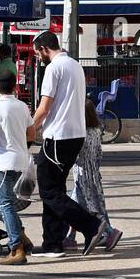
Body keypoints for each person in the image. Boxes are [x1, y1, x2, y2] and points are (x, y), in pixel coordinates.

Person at [28, 30, 107, 257]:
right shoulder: (75, 65)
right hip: (76, 134)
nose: (38, 58)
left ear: (44, 48)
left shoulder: (54, 68)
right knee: (56, 189)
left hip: (58, 136)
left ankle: (91, 227)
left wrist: (29, 128)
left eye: (37, 53)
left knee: (49, 191)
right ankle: (53, 243)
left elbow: (45, 107)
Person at [0, 71, 35, 265]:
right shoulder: (22, 106)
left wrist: (0, 137)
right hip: (22, 161)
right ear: (15, 86)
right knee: (8, 205)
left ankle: (16, 248)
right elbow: (31, 134)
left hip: (4, 162)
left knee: (4, 205)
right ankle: (23, 240)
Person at [62, 98, 123, 252]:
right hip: (94, 172)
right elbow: (98, 153)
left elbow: (75, 155)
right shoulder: (96, 131)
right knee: (78, 204)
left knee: (89, 207)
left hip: (82, 173)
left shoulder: (81, 134)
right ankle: (70, 237)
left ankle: (110, 232)